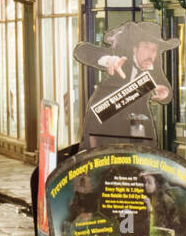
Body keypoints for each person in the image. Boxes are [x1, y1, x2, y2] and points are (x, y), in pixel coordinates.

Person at [74, 21, 178, 149]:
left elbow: (163, 85)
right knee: (98, 161)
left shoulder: (153, 60)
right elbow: (80, 50)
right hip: (104, 118)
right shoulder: (121, 53)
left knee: (145, 157)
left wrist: (165, 93)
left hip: (136, 122)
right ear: (135, 48)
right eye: (146, 47)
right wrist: (108, 60)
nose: (150, 54)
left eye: (154, 49)